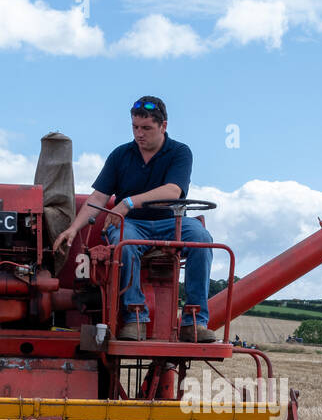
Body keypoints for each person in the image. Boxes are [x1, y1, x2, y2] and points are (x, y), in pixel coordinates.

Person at [53, 96, 216, 342]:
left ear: (164, 126)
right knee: (123, 243)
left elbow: (173, 192)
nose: (139, 134)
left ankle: (194, 322)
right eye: (135, 127)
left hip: (170, 223)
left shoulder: (180, 152)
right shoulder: (121, 155)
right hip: (133, 226)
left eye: (146, 128)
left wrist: (128, 202)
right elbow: (98, 197)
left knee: (202, 239)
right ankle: (136, 317)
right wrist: (73, 228)